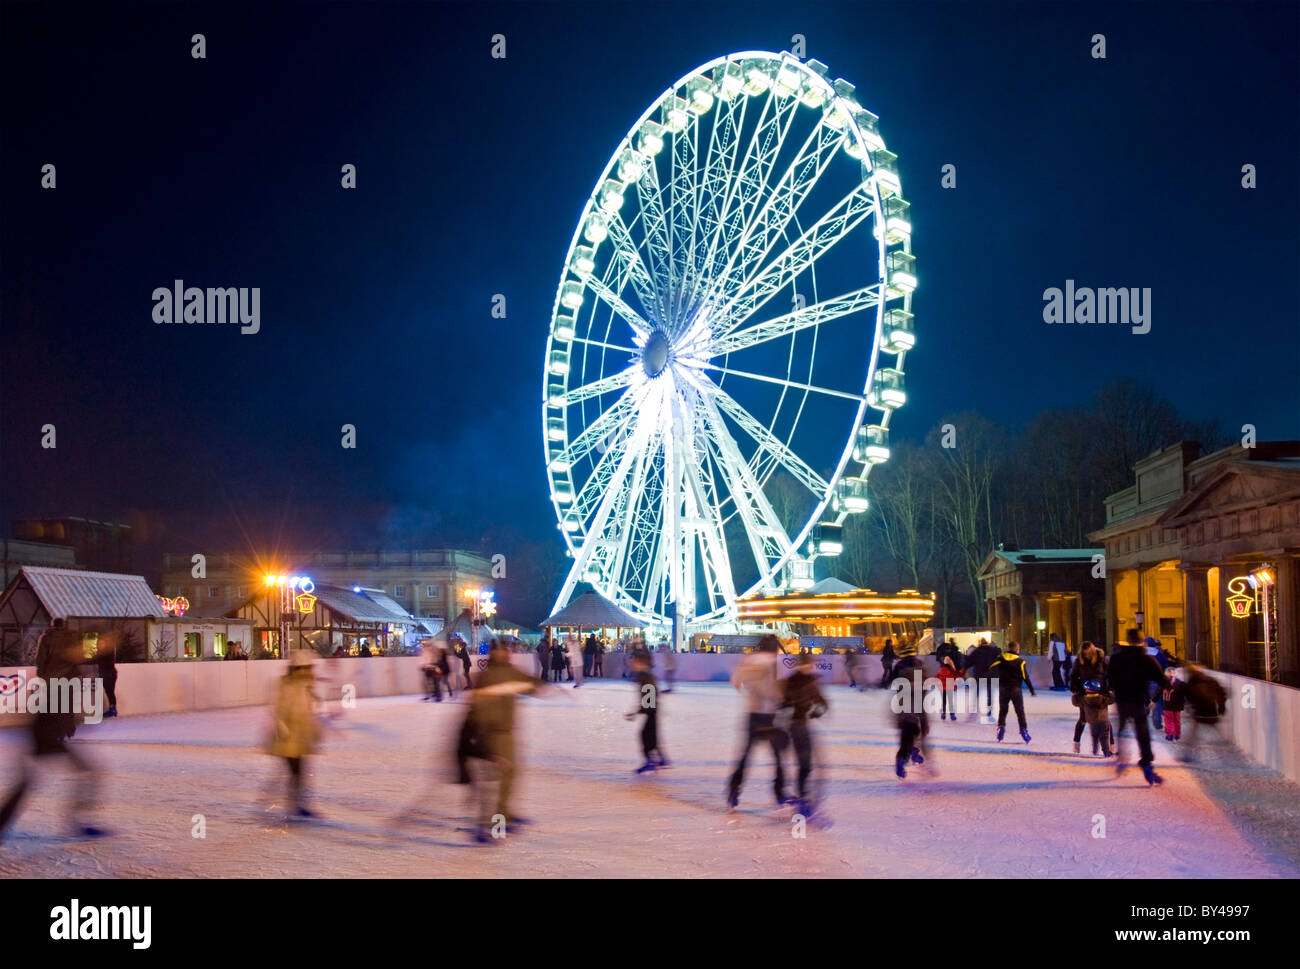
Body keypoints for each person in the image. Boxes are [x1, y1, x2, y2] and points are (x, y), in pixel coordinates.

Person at [0, 619, 107, 839]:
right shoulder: (61, 672)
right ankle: (78, 822)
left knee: (27, 783)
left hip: (44, 733)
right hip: (45, 735)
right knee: (85, 771)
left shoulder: (61, 673)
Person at [460, 639, 547, 843]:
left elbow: (531, 685)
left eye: (506, 652)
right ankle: (491, 826)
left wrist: (537, 684)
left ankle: (503, 815)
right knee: (495, 783)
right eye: (501, 652)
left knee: (508, 777)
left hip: (506, 734)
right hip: (491, 736)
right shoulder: (491, 675)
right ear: (494, 654)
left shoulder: (506, 671)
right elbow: (528, 685)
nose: (505, 655)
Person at [726, 635, 790, 811]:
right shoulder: (771, 662)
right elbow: (774, 689)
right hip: (768, 715)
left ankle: (734, 788)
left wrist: (745, 685)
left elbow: (735, 680)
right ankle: (780, 792)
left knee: (746, 754)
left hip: (751, 714)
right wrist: (780, 699)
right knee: (777, 755)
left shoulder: (749, 660)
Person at [267, 649, 323, 818]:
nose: (310, 671)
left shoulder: (305, 684)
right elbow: (279, 708)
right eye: (307, 668)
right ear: (298, 668)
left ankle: (297, 804)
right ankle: (296, 805)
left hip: (299, 736)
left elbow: (306, 708)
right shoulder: (287, 685)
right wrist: (282, 727)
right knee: (296, 772)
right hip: (288, 737)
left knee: (298, 772)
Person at [1108, 628, 1166, 784]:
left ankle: (1122, 757)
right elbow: (1161, 678)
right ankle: (1146, 763)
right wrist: (1169, 684)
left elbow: (1110, 678)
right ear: (1141, 641)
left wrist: (1113, 689)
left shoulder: (1116, 658)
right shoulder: (1146, 659)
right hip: (1138, 701)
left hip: (1122, 701)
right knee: (1143, 734)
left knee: (1122, 727)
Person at [779, 652, 828, 813]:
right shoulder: (808, 683)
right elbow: (823, 704)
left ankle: (800, 795)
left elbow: (782, 704)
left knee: (802, 763)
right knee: (804, 764)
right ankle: (802, 796)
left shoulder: (792, 682)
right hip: (798, 726)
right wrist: (815, 712)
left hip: (793, 726)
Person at [625, 649, 668, 772]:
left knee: (646, 736)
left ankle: (651, 760)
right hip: (651, 711)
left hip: (651, 711)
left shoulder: (646, 676)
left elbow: (649, 700)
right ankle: (659, 758)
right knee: (650, 736)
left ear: (640, 662)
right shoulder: (644, 675)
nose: (631, 665)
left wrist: (636, 712)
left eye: (633, 662)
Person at [891, 641, 928, 778]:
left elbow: (892, 681)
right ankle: (910, 753)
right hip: (917, 702)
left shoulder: (899, 666)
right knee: (917, 729)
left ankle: (909, 753)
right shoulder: (919, 664)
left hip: (903, 703)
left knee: (907, 731)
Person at [989, 640, 1035, 743]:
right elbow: (1025, 677)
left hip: (1003, 688)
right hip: (1016, 689)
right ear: (1017, 649)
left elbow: (991, 668)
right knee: (1020, 711)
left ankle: (1001, 728)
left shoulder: (1000, 659)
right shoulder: (1020, 662)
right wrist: (1031, 689)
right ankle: (1023, 731)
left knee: (1003, 710)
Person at [1179, 664, 1227, 762]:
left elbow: (1188, 696)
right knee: (1211, 727)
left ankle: (1187, 754)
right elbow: (1221, 692)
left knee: (1193, 733)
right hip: (1211, 710)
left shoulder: (1192, 682)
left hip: (1200, 711)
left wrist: (1190, 706)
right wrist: (1222, 708)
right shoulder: (1210, 680)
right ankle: (1224, 749)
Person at [1069, 641, 1107, 753]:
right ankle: (1076, 742)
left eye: (1089, 654)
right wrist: (1075, 689)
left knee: (1104, 721)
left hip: (1100, 694)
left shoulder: (1101, 660)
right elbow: (1073, 677)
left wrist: (1109, 689)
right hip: (1085, 694)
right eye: (1085, 654)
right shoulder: (1079, 662)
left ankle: (1109, 746)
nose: (1087, 656)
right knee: (1083, 718)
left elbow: (1108, 675)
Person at [964, 638, 1000, 721]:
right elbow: (999, 655)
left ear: (980, 643)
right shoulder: (993, 651)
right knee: (990, 694)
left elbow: (969, 661)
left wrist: (964, 667)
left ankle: (973, 711)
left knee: (976, 693)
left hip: (980, 675)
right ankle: (990, 710)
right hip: (991, 675)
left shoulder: (977, 651)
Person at [1079, 679, 1114, 757]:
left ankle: (1094, 750)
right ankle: (1106, 752)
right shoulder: (1102, 698)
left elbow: (1075, 702)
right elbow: (1111, 700)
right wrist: (1111, 694)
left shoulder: (1084, 699)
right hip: (1103, 720)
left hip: (1092, 721)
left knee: (1094, 735)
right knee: (1104, 736)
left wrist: (1075, 695)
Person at [96, 631, 119, 718]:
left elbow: (104, 663)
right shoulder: (104, 653)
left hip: (109, 674)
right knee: (108, 691)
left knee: (109, 691)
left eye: (101, 643)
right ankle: (111, 709)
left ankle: (112, 709)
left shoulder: (106, 653)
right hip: (108, 674)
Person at [1161, 669, 1186, 742]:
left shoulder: (1164, 683)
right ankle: (1177, 735)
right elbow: (1185, 693)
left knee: (1169, 720)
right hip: (1177, 706)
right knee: (1176, 720)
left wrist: (1153, 700)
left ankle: (1170, 735)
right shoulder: (1181, 683)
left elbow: (1158, 691)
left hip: (1168, 706)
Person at [935, 655, 961, 721]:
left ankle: (943, 714)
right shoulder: (951, 670)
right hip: (949, 688)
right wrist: (954, 686)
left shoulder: (940, 670)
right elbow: (955, 678)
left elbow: (936, 677)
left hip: (942, 688)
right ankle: (952, 715)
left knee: (944, 701)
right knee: (950, 701)